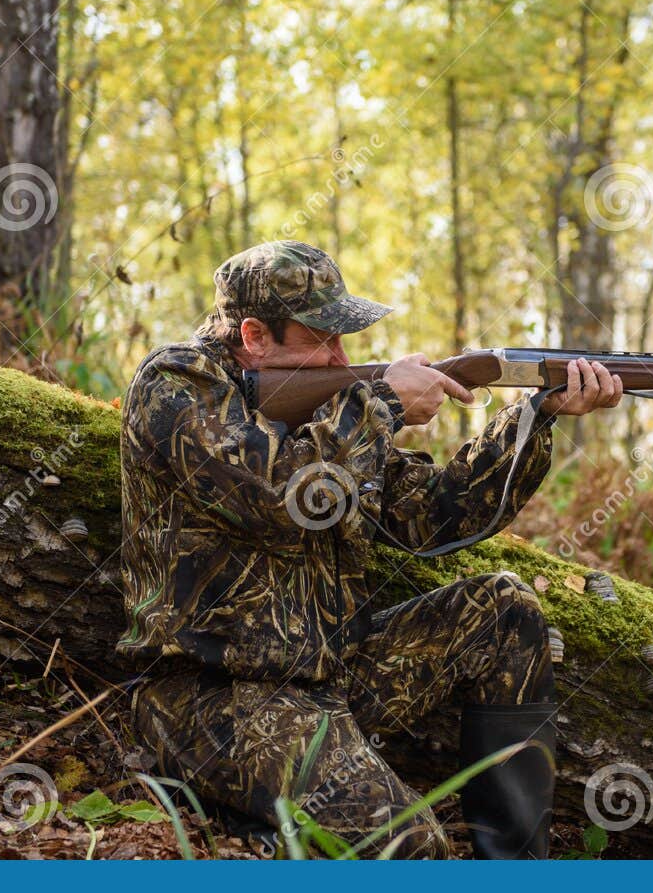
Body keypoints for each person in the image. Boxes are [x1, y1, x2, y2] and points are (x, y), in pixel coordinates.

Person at [117, 240, 623, 858]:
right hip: (214, 701)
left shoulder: (328, 414)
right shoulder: (175, 382)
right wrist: (380, 403)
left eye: (343, 338)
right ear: (254, 336)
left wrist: (535, 414)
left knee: (503, 608)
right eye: (323, 339)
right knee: (413, 849)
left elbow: (436, 517)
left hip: (332, 676)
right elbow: (276, 494)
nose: (342, 357)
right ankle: (252, 826)